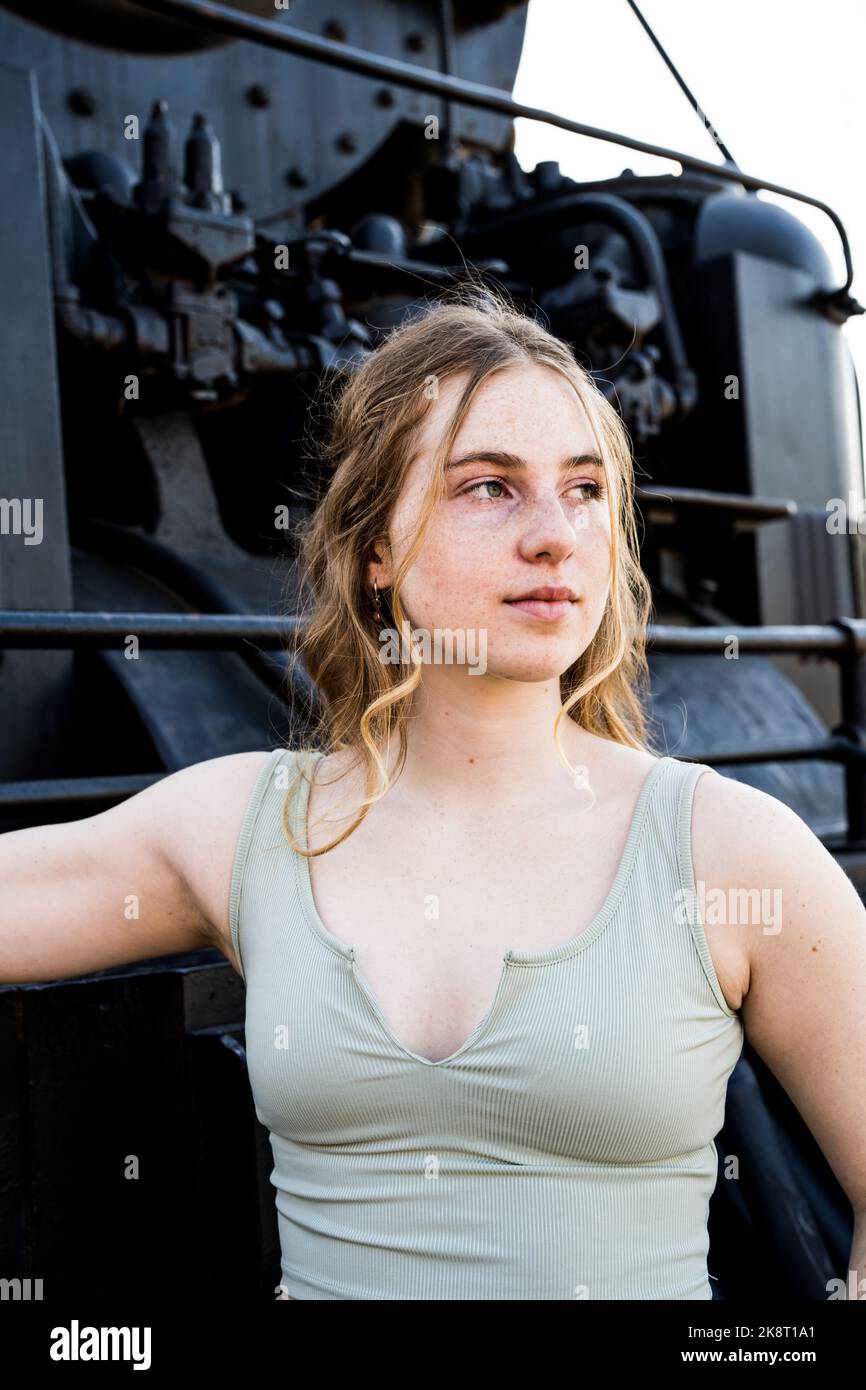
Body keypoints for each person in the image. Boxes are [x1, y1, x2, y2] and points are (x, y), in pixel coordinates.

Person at [2, 286, 864, 1301]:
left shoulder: (727, 849)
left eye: (584, 489)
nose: (553, 535)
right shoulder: (246, 828)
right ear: (374, 549)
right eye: (487, 487)